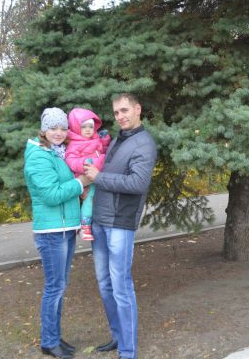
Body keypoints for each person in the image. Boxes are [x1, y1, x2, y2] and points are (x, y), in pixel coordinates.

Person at [83, 93, 157, 359]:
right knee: (105, 283)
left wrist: (99, 178)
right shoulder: (118, 139)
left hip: (120, 224)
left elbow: (137, 184)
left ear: (138, 109)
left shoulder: (144, 143)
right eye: (116, 113)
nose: (120, 116)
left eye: (124, 110)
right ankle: (117, 337)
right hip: (100, 221)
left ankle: (128, 351)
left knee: (121, 286)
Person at [23, 107, 91, 359]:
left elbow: (63, 188)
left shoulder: (56, 153)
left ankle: (54, 336)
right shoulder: (39, 156)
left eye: (63, 128)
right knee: (55, 287)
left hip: (64, 228)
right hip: (52, 232)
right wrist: (81, 183)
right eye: (53, 128)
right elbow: (52, 196)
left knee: (59, 286)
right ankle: (49, 342)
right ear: (44, 130)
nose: (59, 133)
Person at [65, 108, 111, 241]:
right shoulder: (75, 143)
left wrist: (104, 140)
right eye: (84, 126)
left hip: (97, 174)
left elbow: (101, 150)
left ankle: (98, 221)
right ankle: (85, 226)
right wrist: (84, 164)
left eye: (91, 127)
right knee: (89, 199)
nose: (88, 129)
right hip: (85, 176)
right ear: (76, 127)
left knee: (99, 199)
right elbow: (71, 160)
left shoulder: (95, 139)